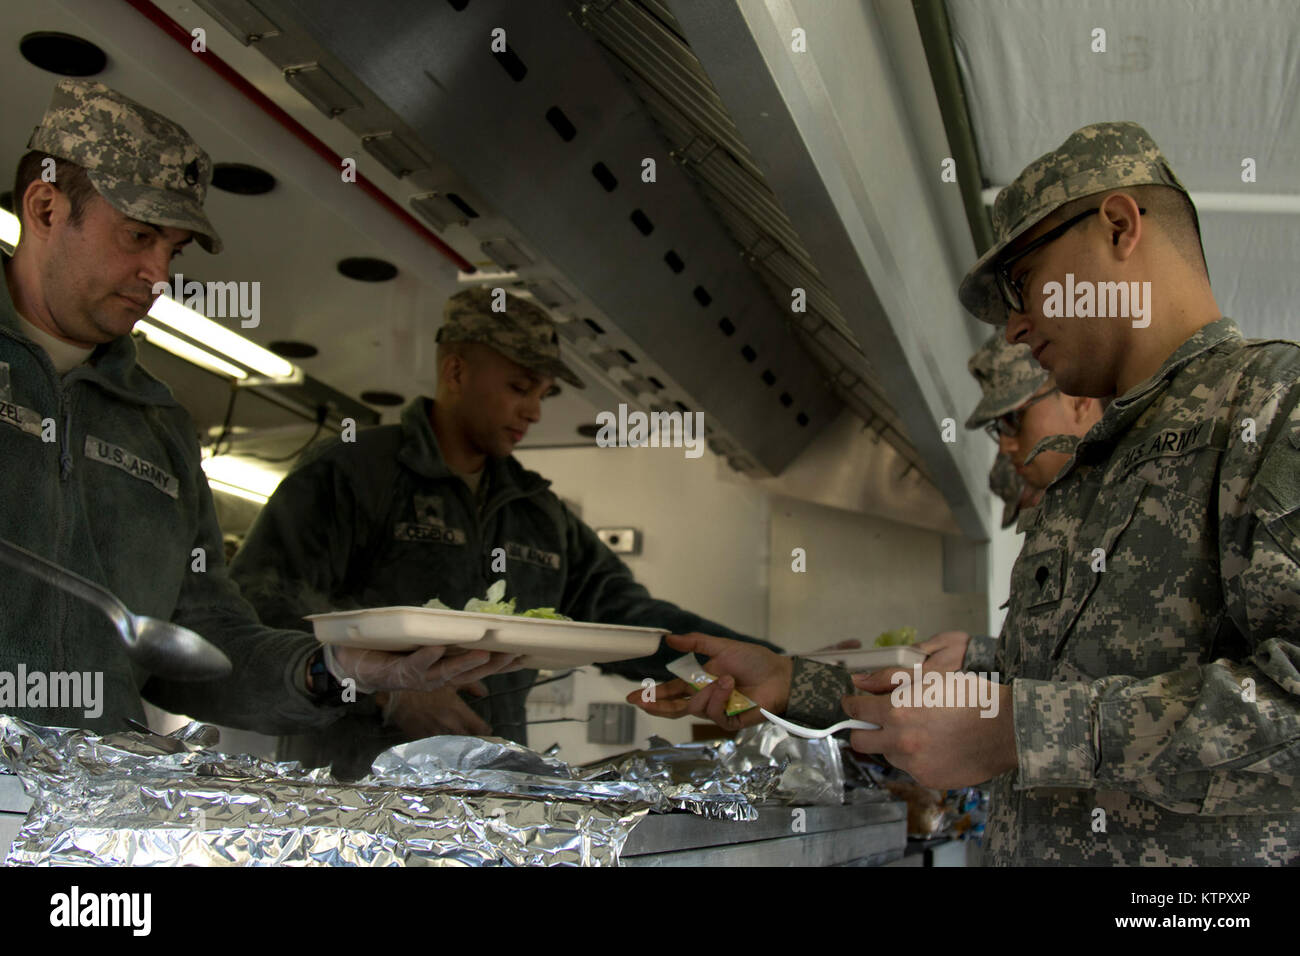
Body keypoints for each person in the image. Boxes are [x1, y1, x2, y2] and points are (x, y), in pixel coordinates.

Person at [633, 122, 1300, 865]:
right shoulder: (1090, 469)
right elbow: (1014, 701)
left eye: (1023, 281)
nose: (1015, 328)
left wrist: (1019, 729)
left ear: (1118, 226)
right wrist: (794, 685)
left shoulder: (1274, 407)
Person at [0, 79, 512, 736]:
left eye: (173, 251)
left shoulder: (157, 427)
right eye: (138, 236)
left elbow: (204, 641)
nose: (159, 275)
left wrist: (333, 670)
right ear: (44, 209)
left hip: (82, 821)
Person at [230, 287, 780, 774]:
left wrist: (769, 663)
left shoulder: (538, 513)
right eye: (520, 387)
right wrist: (386, 694)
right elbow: (258, 610)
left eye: (543, 393)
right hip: (351, 801)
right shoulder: (352, 473)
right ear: (456, 371)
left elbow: (629, 617)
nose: (535, 411)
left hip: (494, 803)